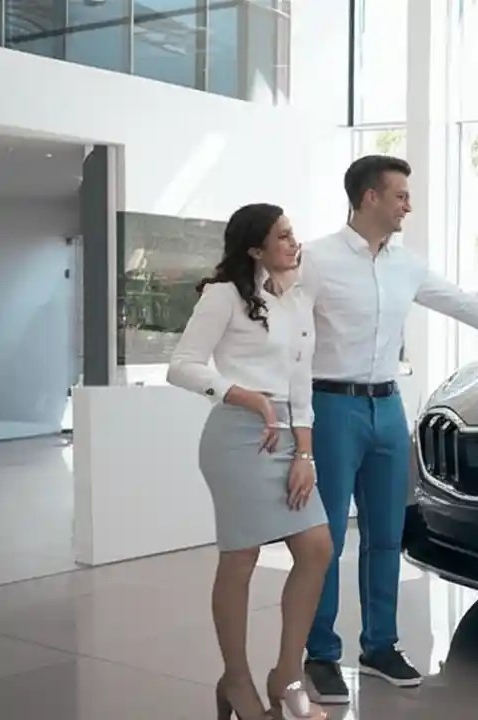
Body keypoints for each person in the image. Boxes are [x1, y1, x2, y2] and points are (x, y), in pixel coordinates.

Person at [300, 155, 478, 703]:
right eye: (400, 196)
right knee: (324, 537)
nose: (408, 206)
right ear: (370, 197)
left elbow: (462, 303)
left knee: (386, 534)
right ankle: (320, 654)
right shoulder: (317, 260)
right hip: (331, 406)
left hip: (389, 408)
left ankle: (379, 646)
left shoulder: (407, 265)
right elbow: (285, 335)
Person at [167, 203, 333, 719]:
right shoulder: (224, 295)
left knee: (316, 547)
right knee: (240, 559)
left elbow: (301, 390)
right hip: (238, 439)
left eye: (292, 233)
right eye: (282, 236)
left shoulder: (298, 300)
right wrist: (246, 396)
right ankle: (236, 681)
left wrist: (304, 452)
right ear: (255, 249)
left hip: (287, 434)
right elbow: (182, 366)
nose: (294, 242)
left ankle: (286, 675)